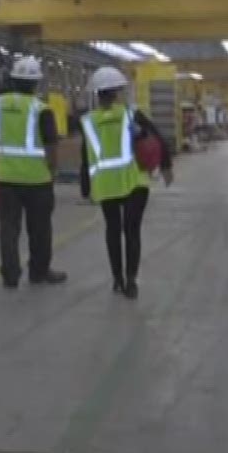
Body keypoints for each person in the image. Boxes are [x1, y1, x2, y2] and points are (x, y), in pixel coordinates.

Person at [80, 67, 173, 299]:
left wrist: (85, 186)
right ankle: (131, 280)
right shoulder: (132, 115)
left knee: (113, 230)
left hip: (106, 183)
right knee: (132, 231)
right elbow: (158, 139)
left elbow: (86, 156)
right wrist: (166, 166)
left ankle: (117, 279)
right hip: (135, 182)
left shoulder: (89, 122)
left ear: (97, 94)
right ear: (119, 92)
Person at [0, 55, 66, 289]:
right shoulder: (41, 109)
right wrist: (52, 171)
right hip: (37, 179)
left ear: (13, 80)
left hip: (6, 178)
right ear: (35, 83)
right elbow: (51, 146)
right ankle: (39, 272)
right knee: (39, 229)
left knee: (9, 229)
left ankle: (10, 276)